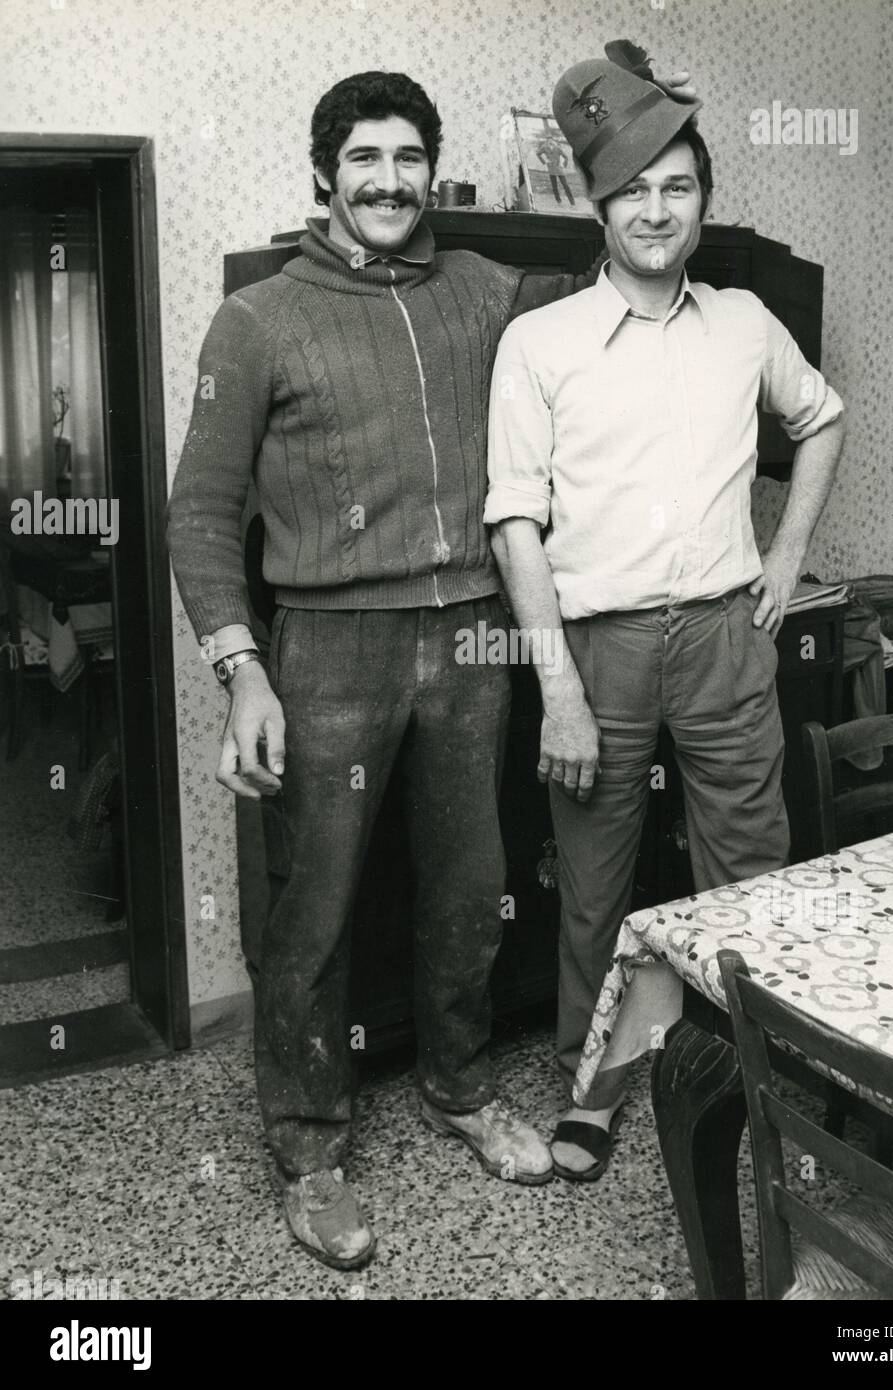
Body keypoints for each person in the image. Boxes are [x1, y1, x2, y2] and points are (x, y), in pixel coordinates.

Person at [167, 64, 700, 1270]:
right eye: (366, 160)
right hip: (324, 647)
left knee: (471, 883)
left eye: (410, 158)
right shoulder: (258, 317)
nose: (390, 181)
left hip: (472, 637)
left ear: (432, 169)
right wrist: (243, 670)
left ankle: (460, 1088)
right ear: (325, 175)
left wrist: (638, 120)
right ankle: (310, 1150)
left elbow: (624, 267)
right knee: (312, 908)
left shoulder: (485, 289)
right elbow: (198, 514)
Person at [485, 48, 846, 1183]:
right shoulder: (539, 343)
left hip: (727, 637)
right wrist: (558, 691)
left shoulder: (743, 322)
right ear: (601, 203)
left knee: (756, 865)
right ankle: (596, 1088)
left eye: (677, 187)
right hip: (598, 651)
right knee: (594, 882)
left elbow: (823, 419)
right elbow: (513, 527)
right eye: (634, 188)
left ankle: (769, 1078)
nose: (656, 208)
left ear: (701, 199)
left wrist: (787, 553)